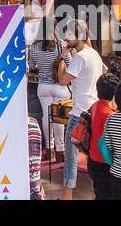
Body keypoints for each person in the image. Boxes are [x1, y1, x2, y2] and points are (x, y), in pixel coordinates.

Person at [56, 20, 105, 199]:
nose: (66, 38)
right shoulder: (94, 55)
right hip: (93, 111)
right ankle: (95, 193)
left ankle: (67, 196)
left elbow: (62, 79)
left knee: (71, 157)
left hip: (79, 115)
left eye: (69, 34)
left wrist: (62, 56)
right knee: (93, 156)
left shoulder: (80, 57)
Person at [28, 26, 69, 159]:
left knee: (46, 117)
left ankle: (49, 148)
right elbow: (68, 62)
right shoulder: (62, 45)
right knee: (58, 117)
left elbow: (32, 66)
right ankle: (60, 150)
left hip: (43, 86)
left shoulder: (34, 48)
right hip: (59, 86)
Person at [85, 73, 119, 198]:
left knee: (99, 192)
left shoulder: (95, 106)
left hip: (93, 156)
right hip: (105, 160)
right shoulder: (109, 114)